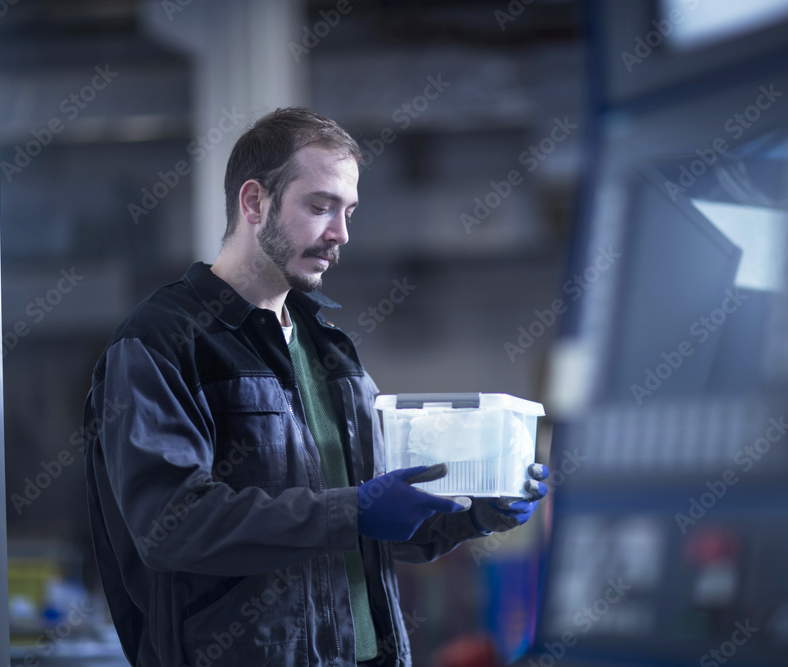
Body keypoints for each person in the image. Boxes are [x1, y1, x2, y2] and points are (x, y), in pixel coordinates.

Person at [82, 107, 549, 667]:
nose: (340, 234)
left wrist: (473, 513)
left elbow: (381, 522)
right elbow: (172, 524)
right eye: (320, 206)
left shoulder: (331, 350)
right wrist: (353, 512)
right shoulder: (162, 341)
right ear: (254, 203)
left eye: (348, 212)